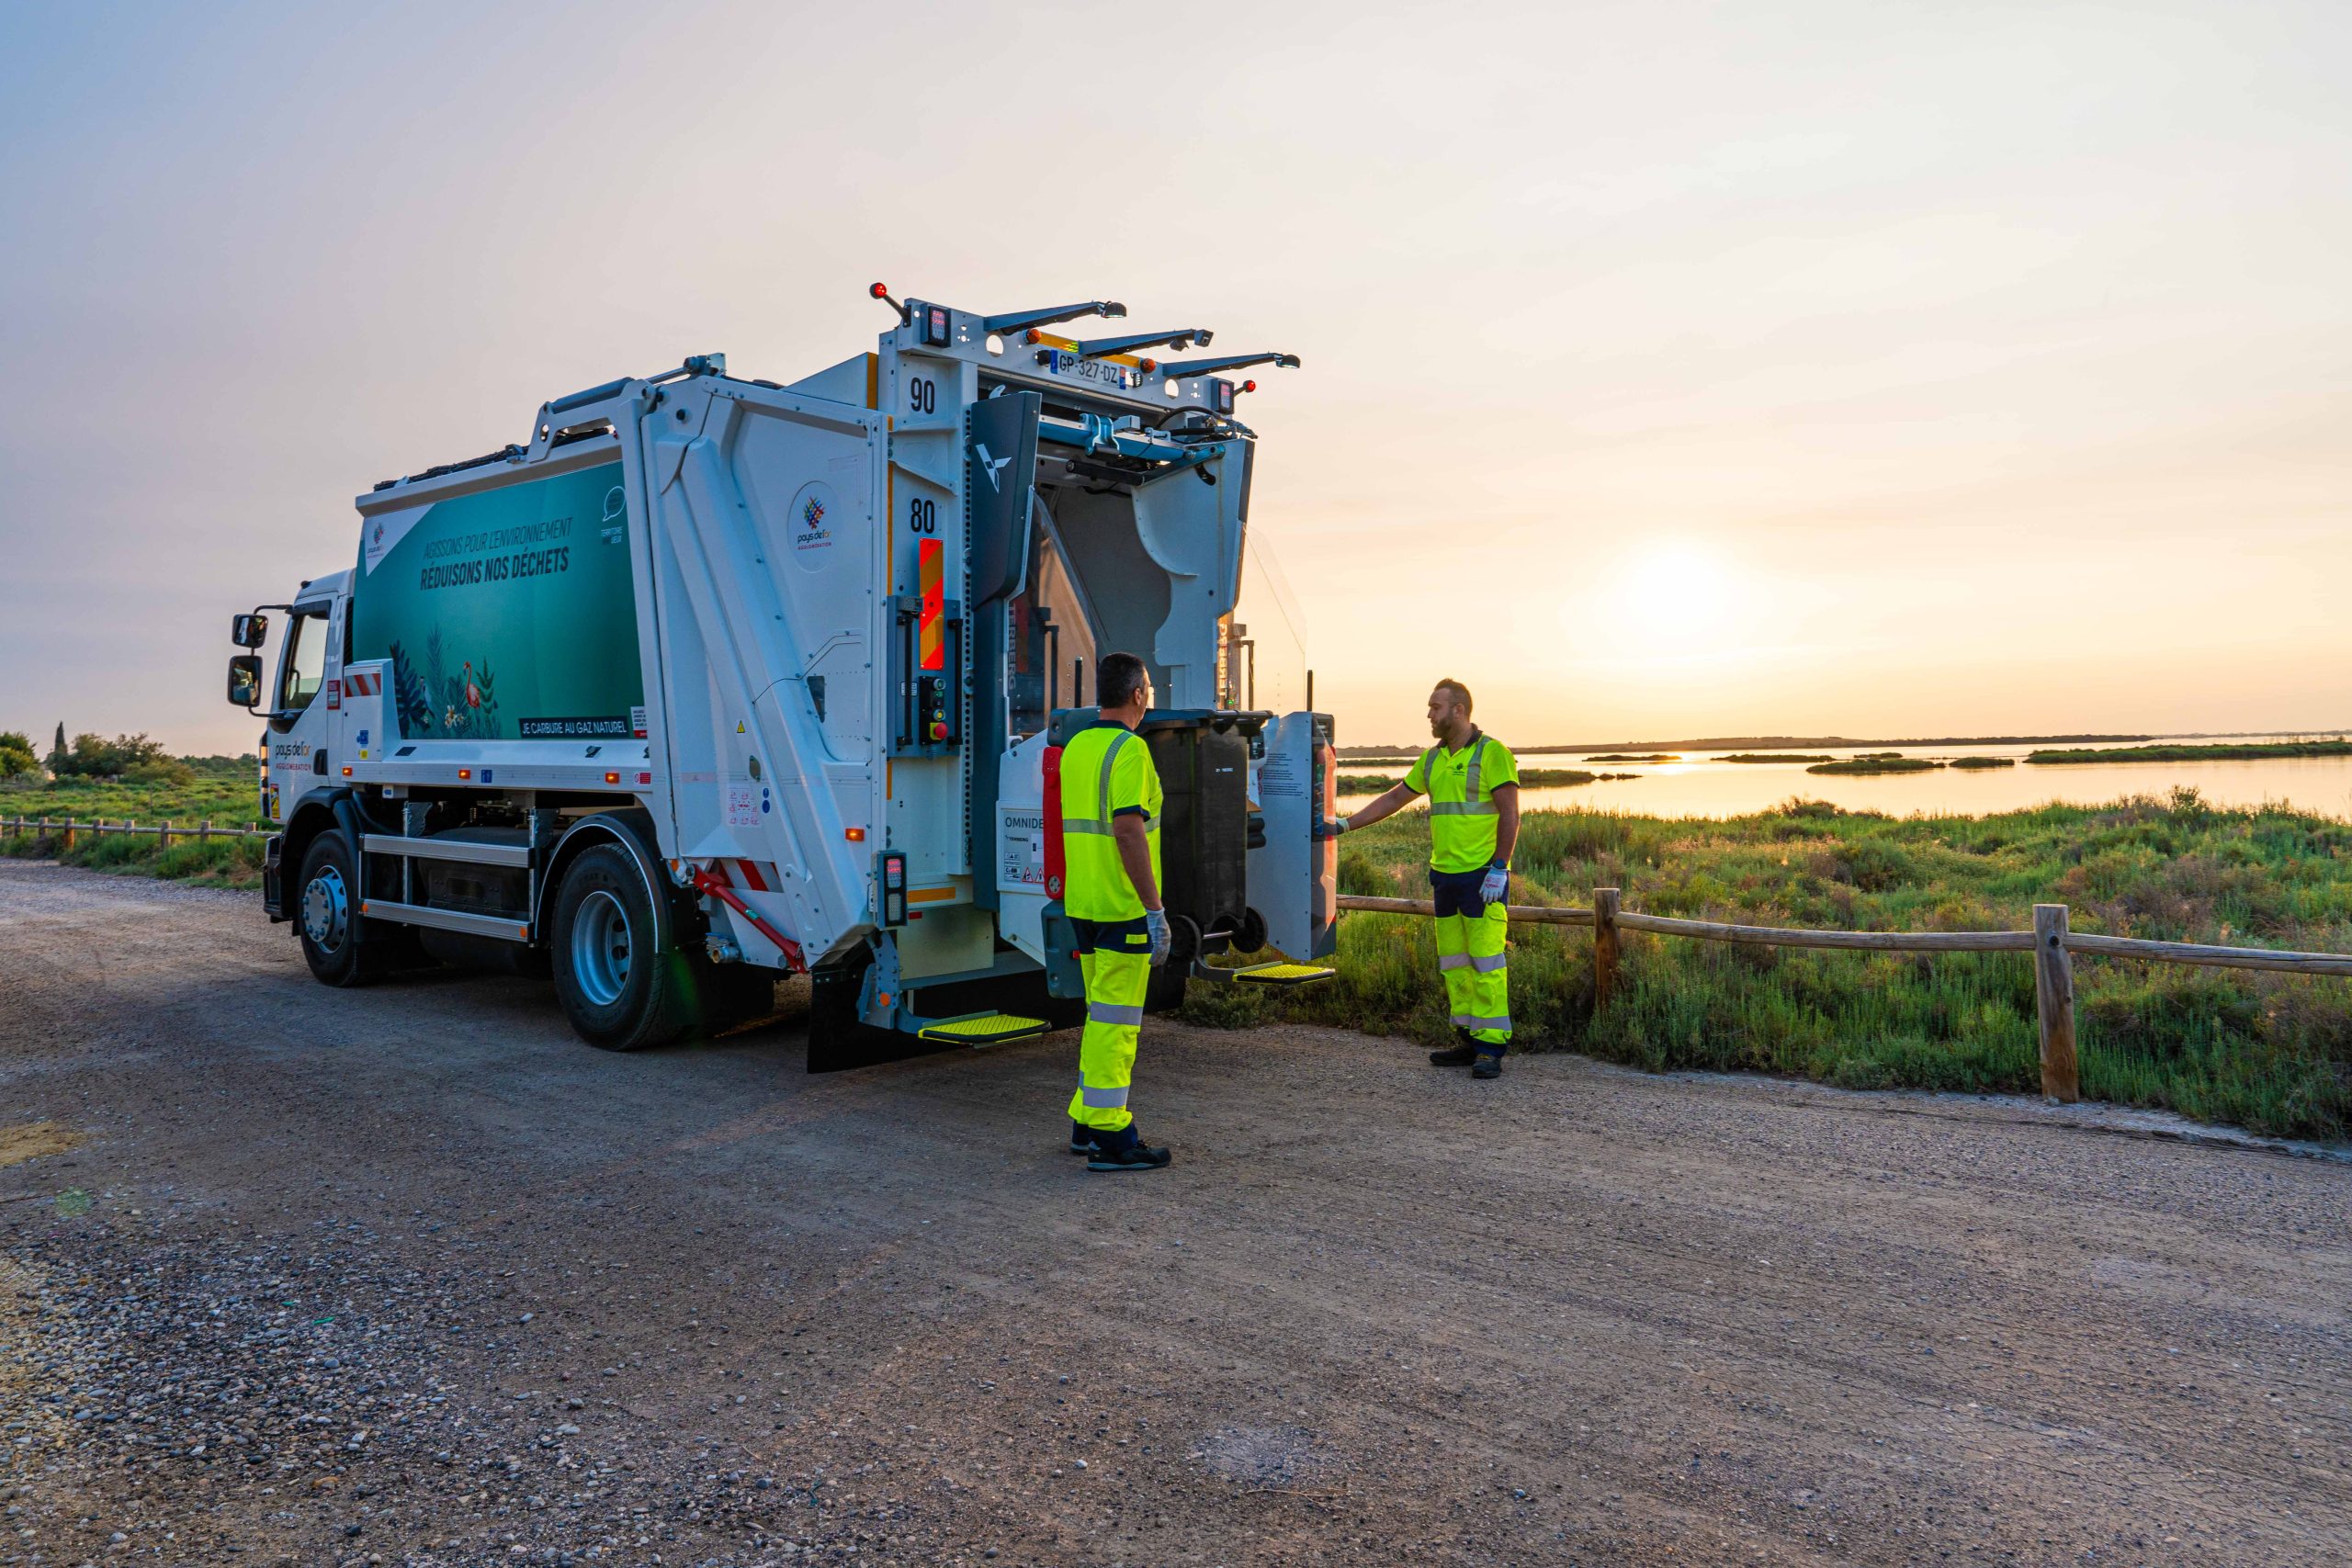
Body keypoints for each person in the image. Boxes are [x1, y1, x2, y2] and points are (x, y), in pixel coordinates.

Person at [1333, 678, 1521, 1077]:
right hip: (1445, 877)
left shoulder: (1493, 753)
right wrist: (1346, 825)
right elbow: (1395, 797)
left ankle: (1491, 1049)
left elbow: (1510, 813)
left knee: (1487, 963)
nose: (1429, 715)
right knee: (1455, 963)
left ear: (1459, 710)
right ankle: (1469, 1041)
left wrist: (1500, 867)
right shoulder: (1432, 759)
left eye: (1436, 707)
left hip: (1482, 878)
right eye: (1430, 708)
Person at [1058, 651, 1175, 1171]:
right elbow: (1129, 830)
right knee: (1117, 1023)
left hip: (1083, 903)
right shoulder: (1130, 751)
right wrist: (1155, 910)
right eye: (1147, 687)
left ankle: (1087, 1119)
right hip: (1122, 907)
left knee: (1099, 1015)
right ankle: (1112, 1138)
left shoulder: (1077, 747)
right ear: (1137, 695)